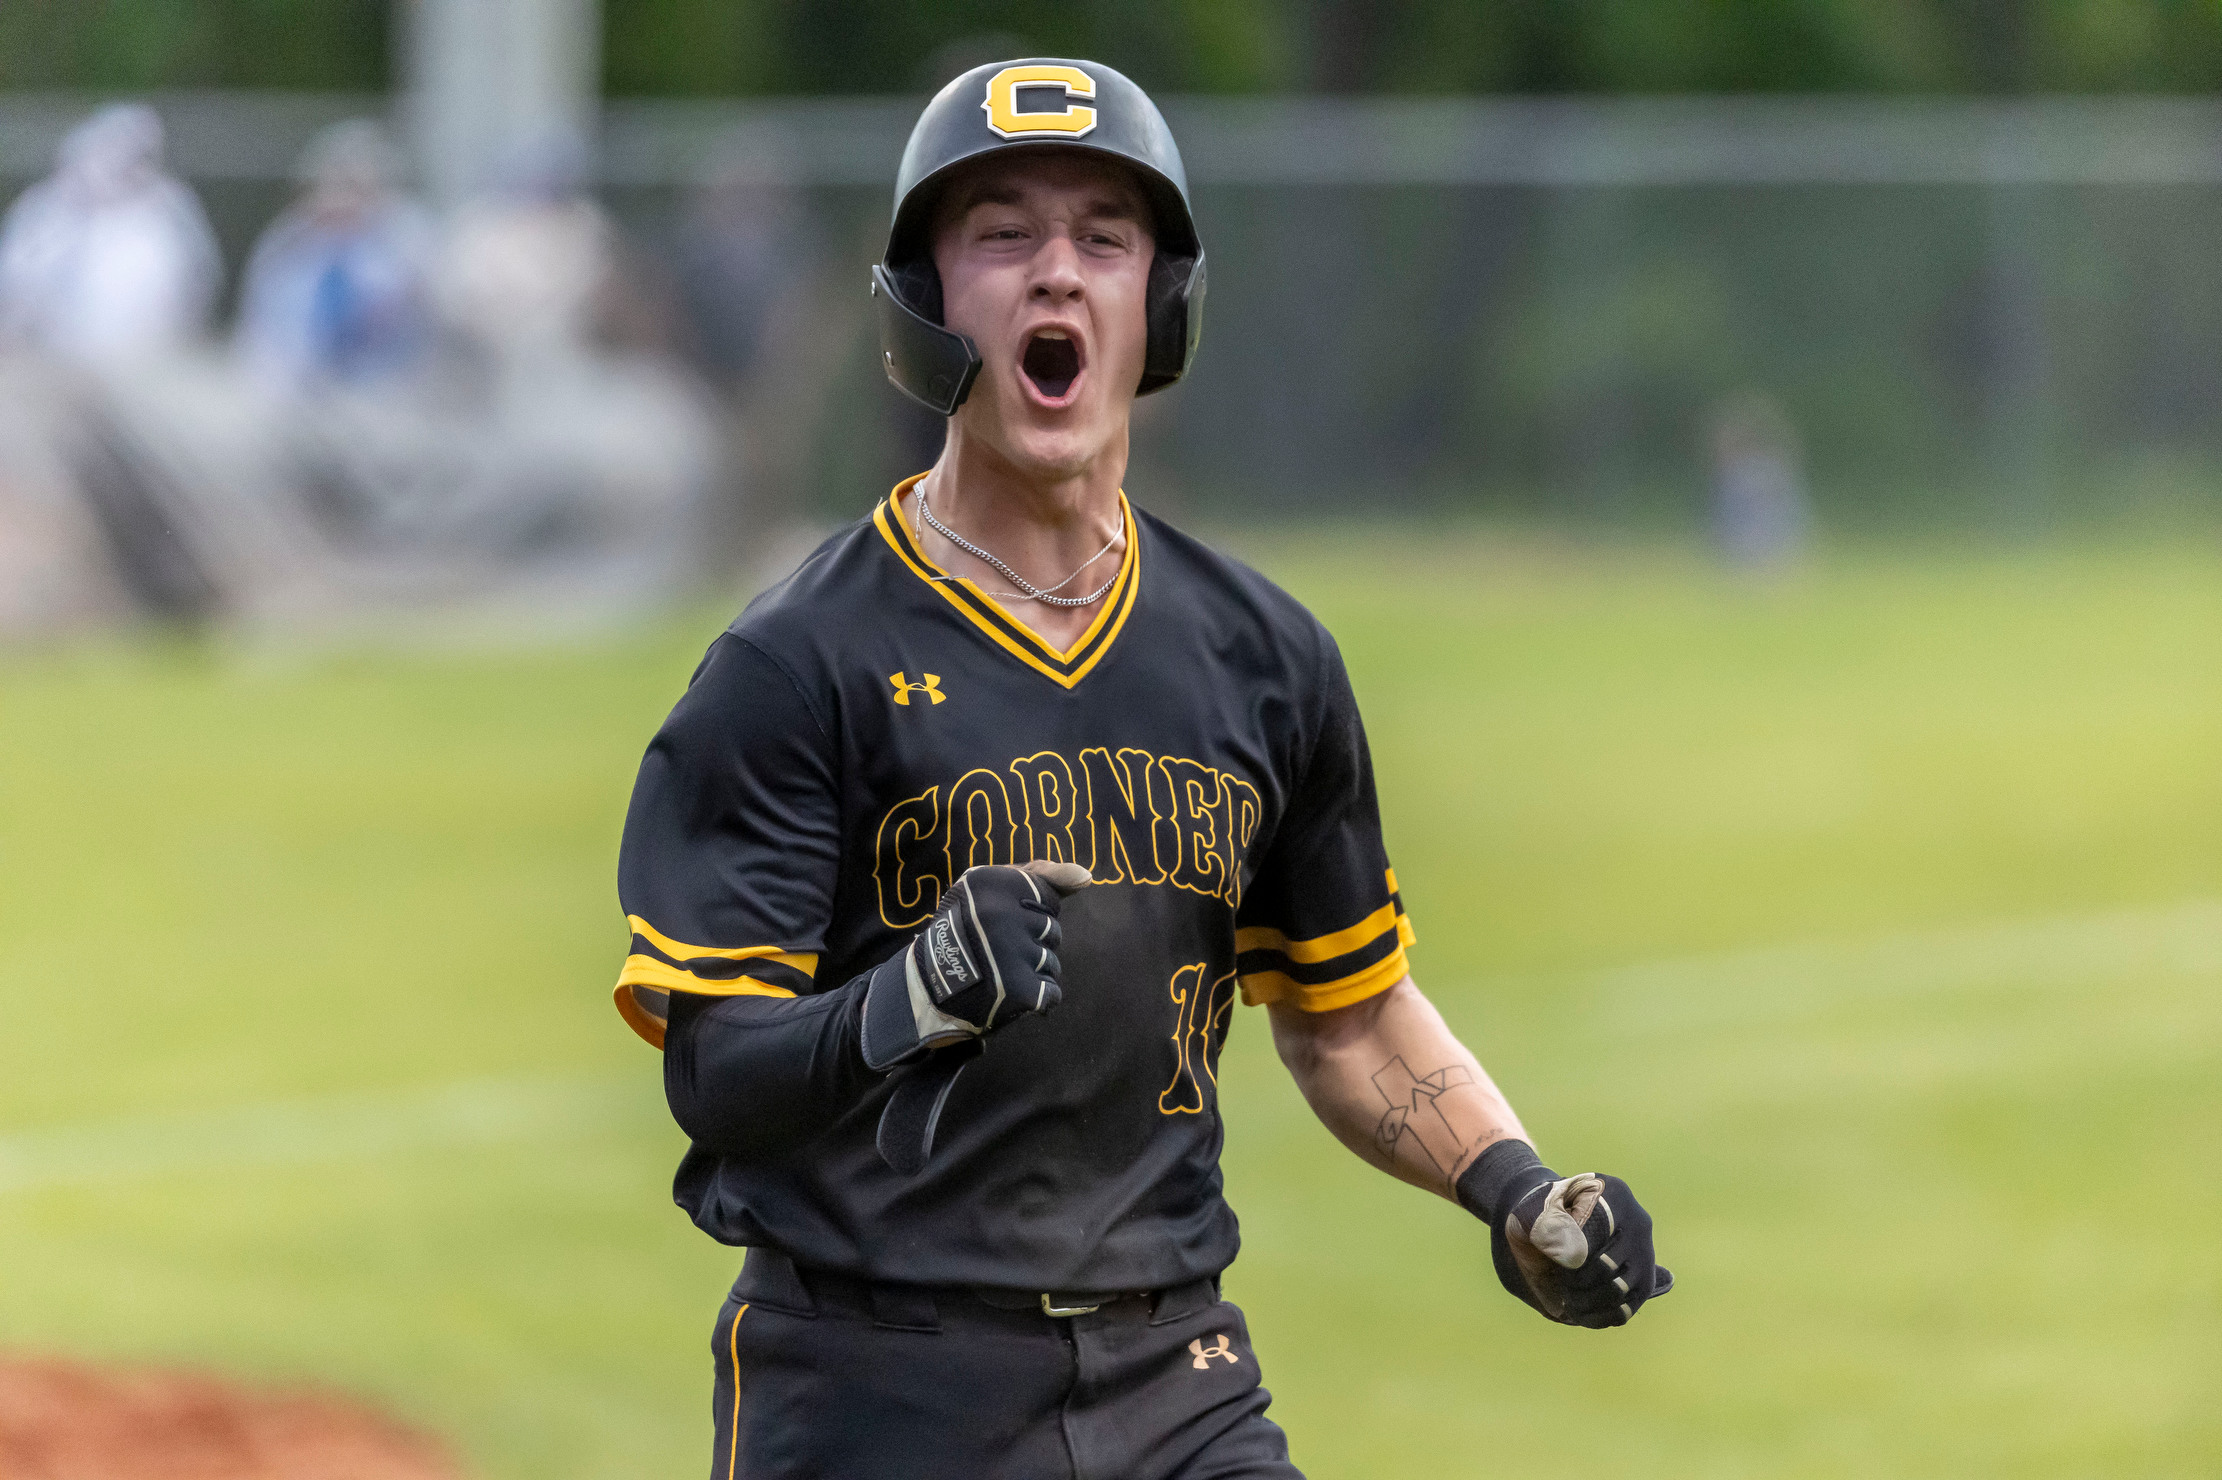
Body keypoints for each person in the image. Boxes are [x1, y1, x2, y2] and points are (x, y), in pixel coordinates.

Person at [613, 60, 1670, 1480]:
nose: (1056, 273)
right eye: (1002, 234)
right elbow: (716, 1073)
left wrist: (1519, 1190)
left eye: (1102, 240)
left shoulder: (1262, 656)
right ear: (923, 303)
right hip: (872, 1385)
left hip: (1175, 1384)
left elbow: (1350, 1015)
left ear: (1159, 308)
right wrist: (907, 998)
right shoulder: (797, 664)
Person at [0, 103, 219, 365]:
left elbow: (200, 278)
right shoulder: (45, 209)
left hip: (148, 360)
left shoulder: (170, 207)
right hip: (56, 361)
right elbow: (18, 282)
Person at [234, 120, 433, 394]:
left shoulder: (405, 243)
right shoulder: (288, 242)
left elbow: (417, 326)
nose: (338, 199)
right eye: (329, 186)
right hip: (293, 390)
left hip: (385, 392)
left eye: (353, 188)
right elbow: (261, 328)